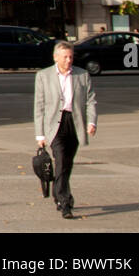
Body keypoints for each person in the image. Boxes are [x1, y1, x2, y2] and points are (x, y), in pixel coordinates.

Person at [34, 40, 97, 219]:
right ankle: (64, 202)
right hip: (54, 124)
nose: (68, 60)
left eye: (70, 57)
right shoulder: (43, 76)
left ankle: (58, 194)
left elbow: (90, 100)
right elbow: (39, 107)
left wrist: (91, 122)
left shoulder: (82, 75)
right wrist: (40, 134)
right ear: (56, 57)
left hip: (74, 122)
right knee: (60, 160)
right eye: (65, 57)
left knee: (67, 164)